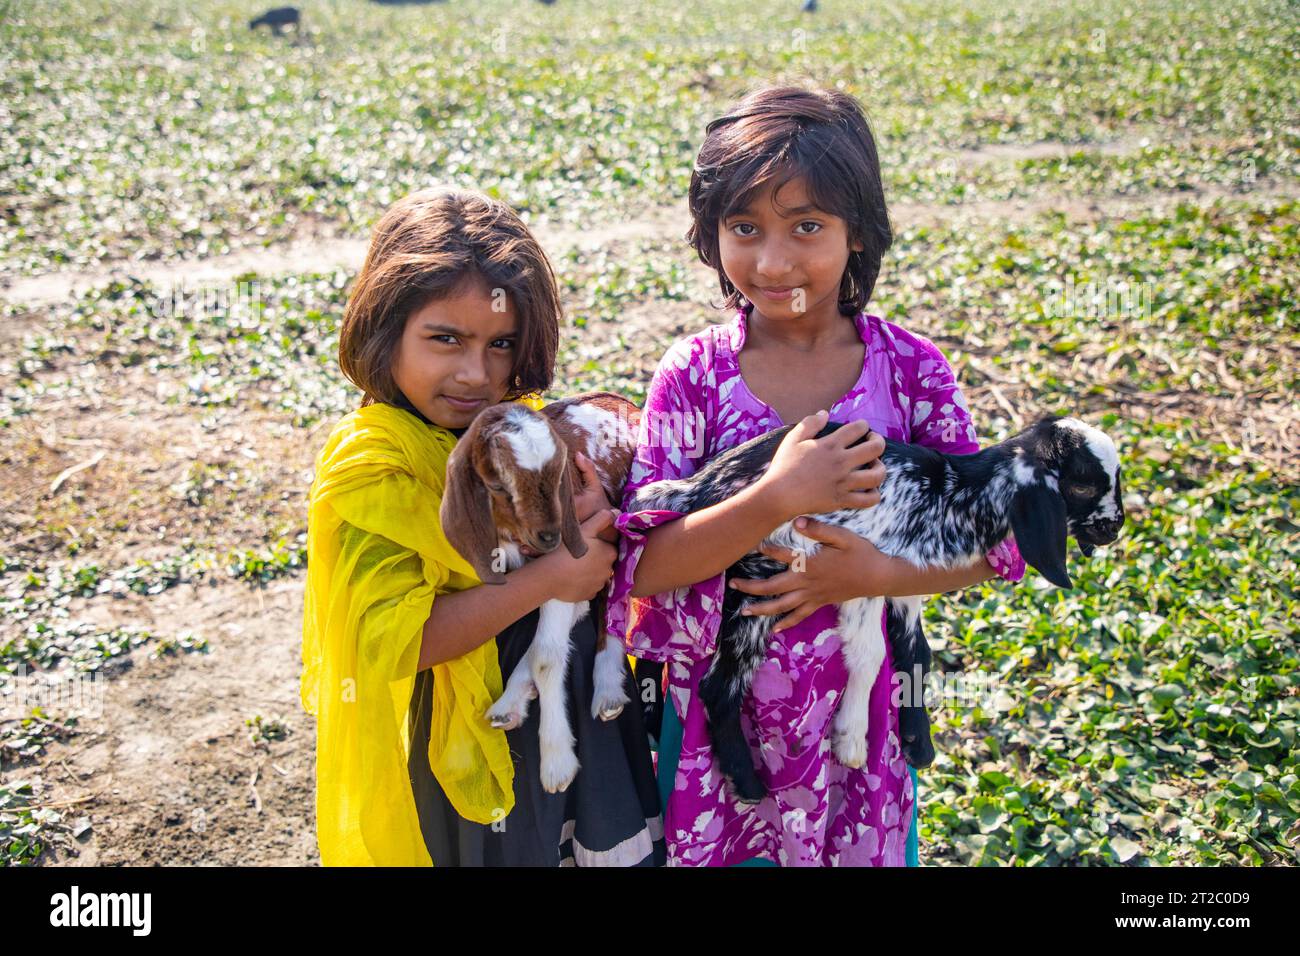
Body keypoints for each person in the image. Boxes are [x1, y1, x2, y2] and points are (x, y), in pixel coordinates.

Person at [607, 85, 1025, 866]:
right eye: (744, 228)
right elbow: (642, 565)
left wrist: (873, 572)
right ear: (709, 236)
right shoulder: (693, 378)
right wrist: (777, 495)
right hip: (716, 729)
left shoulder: (912, 373)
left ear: (859, 231)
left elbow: (993, 542)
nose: (773, 261)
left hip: (859, 724)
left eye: (807, 226)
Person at [301, 186, 664, 866]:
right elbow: (399, 644)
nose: (476, 373)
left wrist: (591, 517)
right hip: (457, 754)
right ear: (384, 331)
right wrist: (552, 577)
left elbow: (598, 526)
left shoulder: (523, 430)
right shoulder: (374, 469)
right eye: (445, 339)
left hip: (573, 723)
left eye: (501, 344)